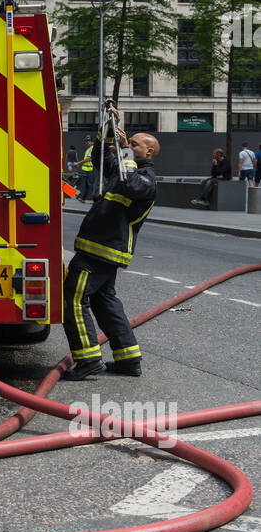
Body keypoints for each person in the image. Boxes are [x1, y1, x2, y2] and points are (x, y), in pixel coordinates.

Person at [62, 109, 159, 380]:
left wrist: (125, 149)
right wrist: (108, 129)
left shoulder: (147, 179)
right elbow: (99, 159)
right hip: (100, 247)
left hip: (101, 250)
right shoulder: (126, 166)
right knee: (105, 302)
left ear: (149, 152)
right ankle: (129, 359)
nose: (128, 144)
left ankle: (87, 360)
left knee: (74, 297)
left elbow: (130, 185)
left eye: (135, 143)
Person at [77, 136, 95, 201]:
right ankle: (83, 199)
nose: (86, 142)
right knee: (87, 185)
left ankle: (94, 200)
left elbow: (88, 159)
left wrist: (78, 163)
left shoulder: (92, 148)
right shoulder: (89, 149)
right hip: (87, 170)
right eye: (86, 141)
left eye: (88, 141)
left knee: (91, 185)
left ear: (92, 142)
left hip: (90, 170)